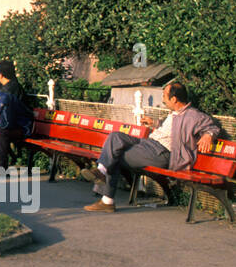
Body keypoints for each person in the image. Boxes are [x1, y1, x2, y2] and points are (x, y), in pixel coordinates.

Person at [83, 80, 219, 213]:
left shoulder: (194, 115)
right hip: (147, 144)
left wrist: (209, 135)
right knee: (115, 137)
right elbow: (173, 130)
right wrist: (154, 123)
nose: (163, 100)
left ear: (174, 99)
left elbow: (212, 126)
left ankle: (107, 199)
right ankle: (101, 170)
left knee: (115, 155)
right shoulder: (175, 114)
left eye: (165, 96)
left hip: (161, 153)